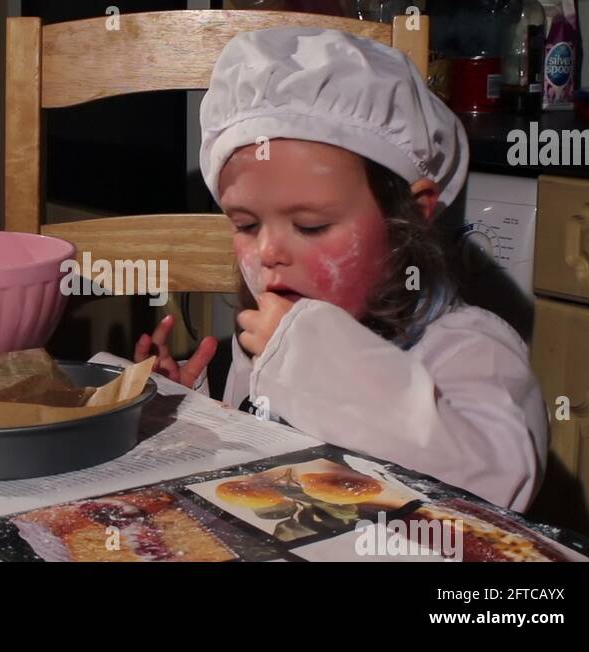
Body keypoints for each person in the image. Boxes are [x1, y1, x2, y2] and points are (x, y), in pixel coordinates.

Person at [133, 27, 548, 512]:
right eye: (246, 224)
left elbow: (496, 489)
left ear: (409, 218)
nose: (267, 251)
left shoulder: (470, 349)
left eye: (310, 225)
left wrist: (312, 356)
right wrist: (199, 417)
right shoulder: (266, 334)